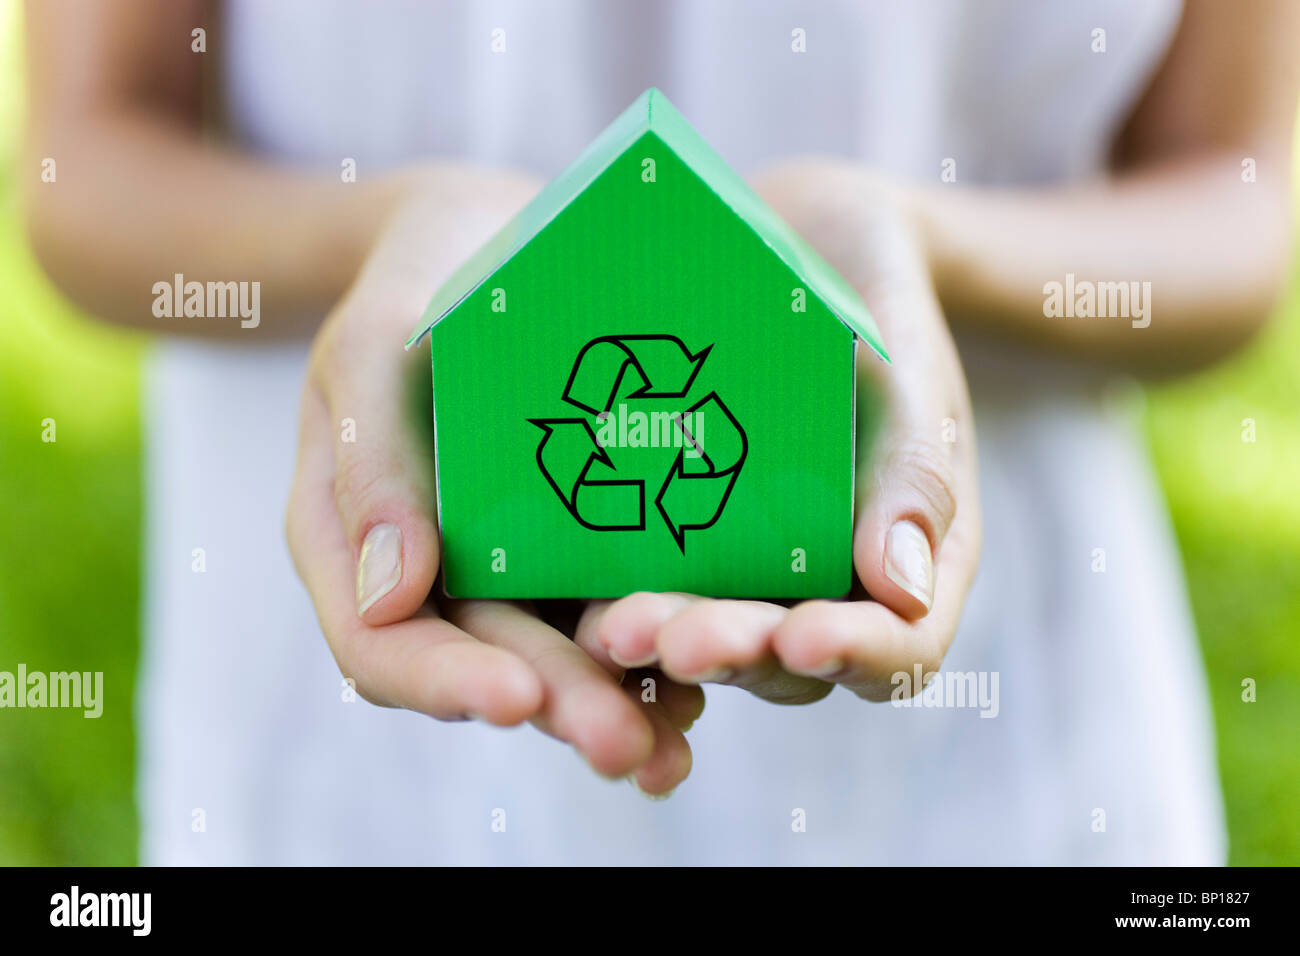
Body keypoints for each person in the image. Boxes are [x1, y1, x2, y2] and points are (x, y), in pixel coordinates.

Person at [22, 0, 1297, 864]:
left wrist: (922, 244)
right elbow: (80, 161)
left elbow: (1240, 196)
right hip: (352, 754)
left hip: (997, 746)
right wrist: (386, 230)